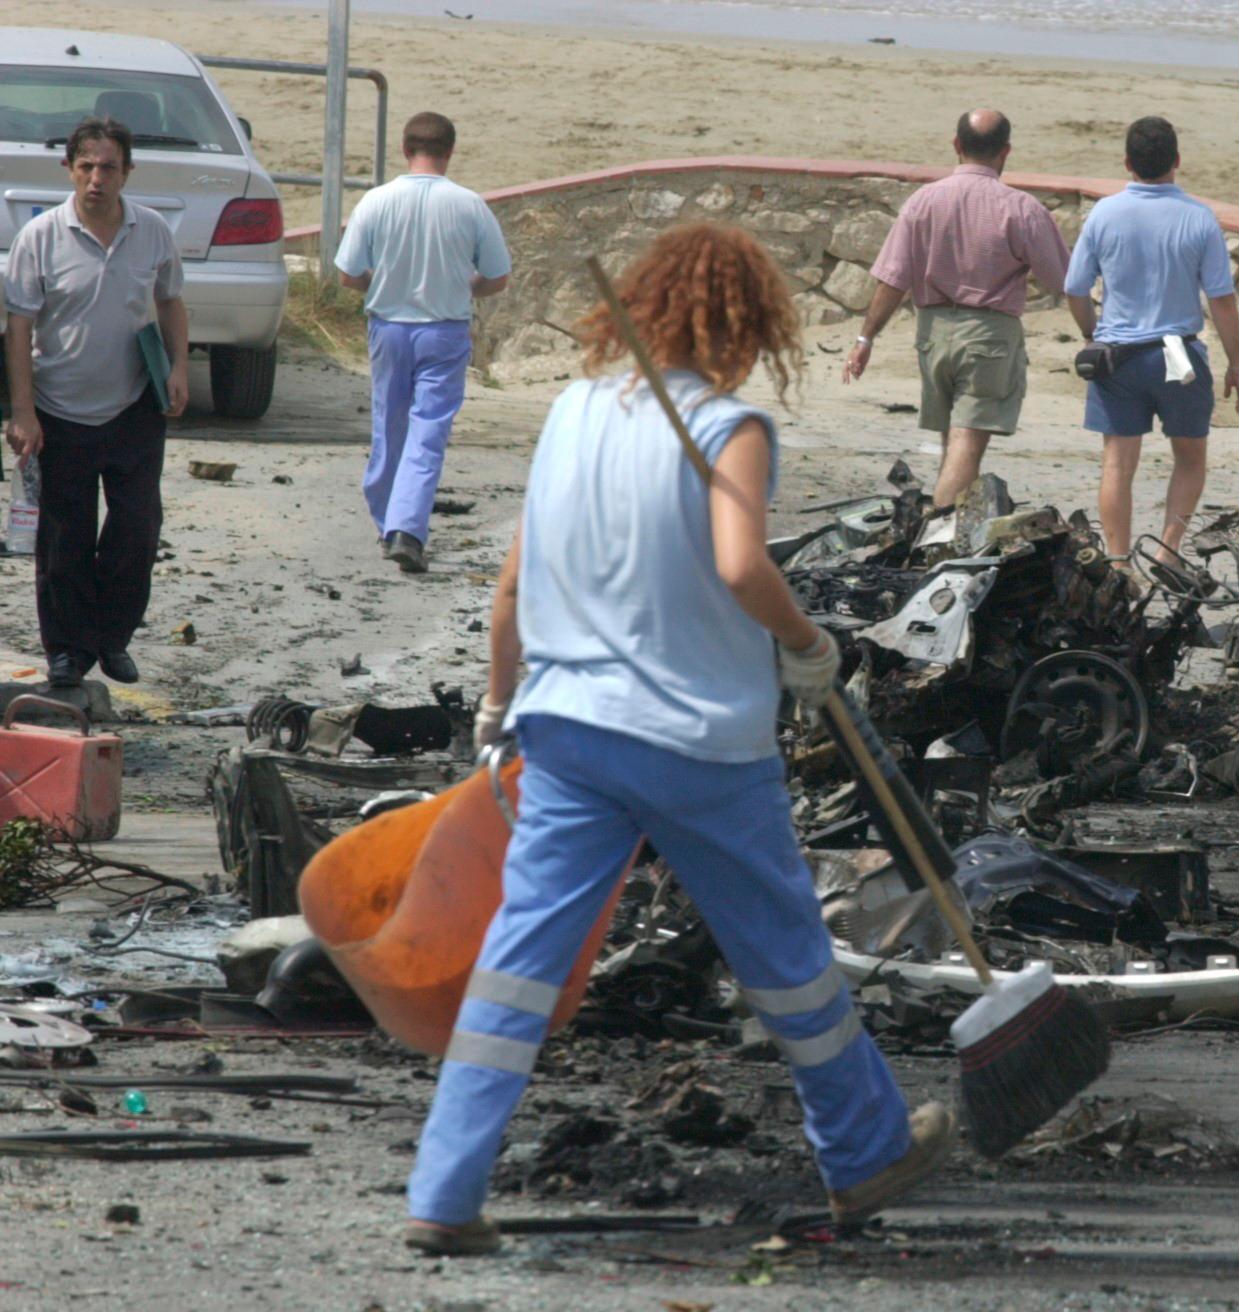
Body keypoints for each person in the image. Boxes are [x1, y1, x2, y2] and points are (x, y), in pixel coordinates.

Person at [407, 223, 951, 1256]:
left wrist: (494, 705)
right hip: (696, 738)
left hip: (566, 729)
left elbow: (514, 583)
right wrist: (806, 644)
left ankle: (442, 1189)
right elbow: (742, 566)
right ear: (746, 328)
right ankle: (864, 1147)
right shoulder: (729, 426)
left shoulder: (569, 412)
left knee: (521, 962)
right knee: (784, 953)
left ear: (650, 309)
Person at [3, 118, 188, 689]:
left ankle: (112, 638)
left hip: (133, 407)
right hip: (58, 409)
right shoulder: (41, 237)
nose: (96, 178)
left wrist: (180, 367)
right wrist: (24, 411)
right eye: (86, 166)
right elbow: (19, 328)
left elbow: (171, 301)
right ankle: (68, 650)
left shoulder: (151, 230)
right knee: (65, 538)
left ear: (127, 172)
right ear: (69, 170)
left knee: (137, 529)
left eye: (109, 167)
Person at [842, 109, 1069, 507]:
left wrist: (866, 338)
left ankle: (950, 524)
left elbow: (893, 279)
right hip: (987, 335)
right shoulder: (1022, 208)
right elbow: (1064, 280)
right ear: (1006, 151)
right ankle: (941, 535)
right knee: (967, 441)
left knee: (953, 436)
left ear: (957, 146)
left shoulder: (923, 202)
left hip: (932, 333)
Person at [1062, 116, 1239, 566]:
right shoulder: (1198, 217)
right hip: (1178, 352)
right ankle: (1167, 549)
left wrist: (1092, 333)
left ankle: (1121, 561)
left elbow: (1075, 288)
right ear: (1177, 161)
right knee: (1189, 456)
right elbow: (1222, 301)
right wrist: (1237, 362)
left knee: (1117, 464)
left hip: (1118, 355)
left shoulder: (1104, 213)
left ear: (1127, 162)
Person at [336, 111, 511, 575]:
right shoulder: (469, 204)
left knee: (388, 425)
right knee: (427, 430)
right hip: (444, 328)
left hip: (389, 326)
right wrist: (460, 286)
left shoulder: (376, 201)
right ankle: (407, 529)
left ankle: (387, 520)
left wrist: (386, 280)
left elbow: (349, 274)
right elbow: (497, 277)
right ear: (450, 152)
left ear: (404, 149)